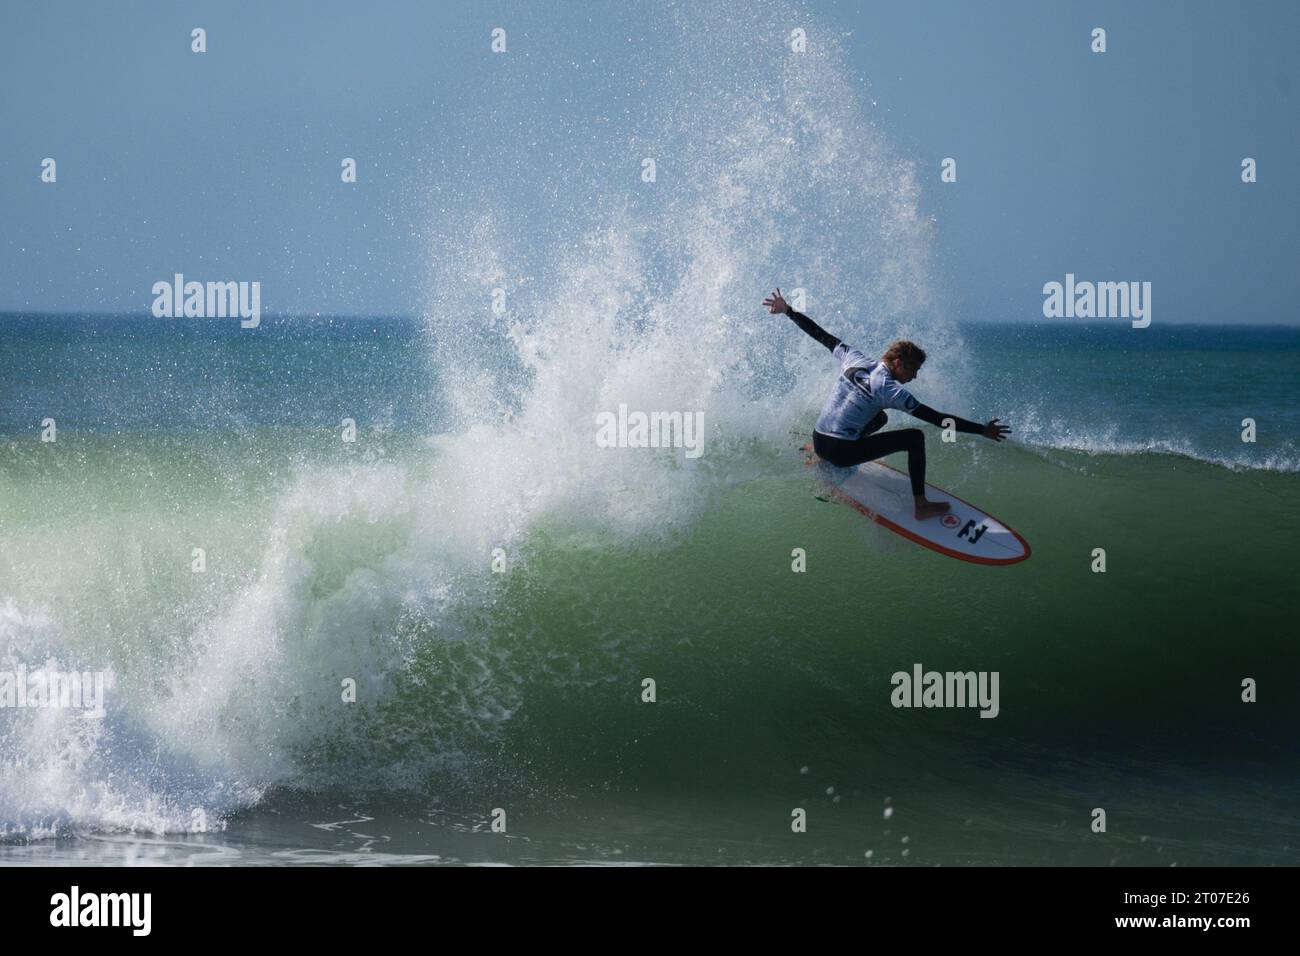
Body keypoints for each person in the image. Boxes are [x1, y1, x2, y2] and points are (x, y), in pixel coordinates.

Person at [764, 288, 1010, 520]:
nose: (914, 377)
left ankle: (823, 460)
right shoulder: (890, 390)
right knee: (915, 438)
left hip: (819, 440)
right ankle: (921, 505)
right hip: (841, 453)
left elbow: (821, 335)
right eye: (914, 369)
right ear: (899, 363)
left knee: (881, 418)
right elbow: (938, 419)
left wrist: (788, 310)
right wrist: (982, 429)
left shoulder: (853, 358)